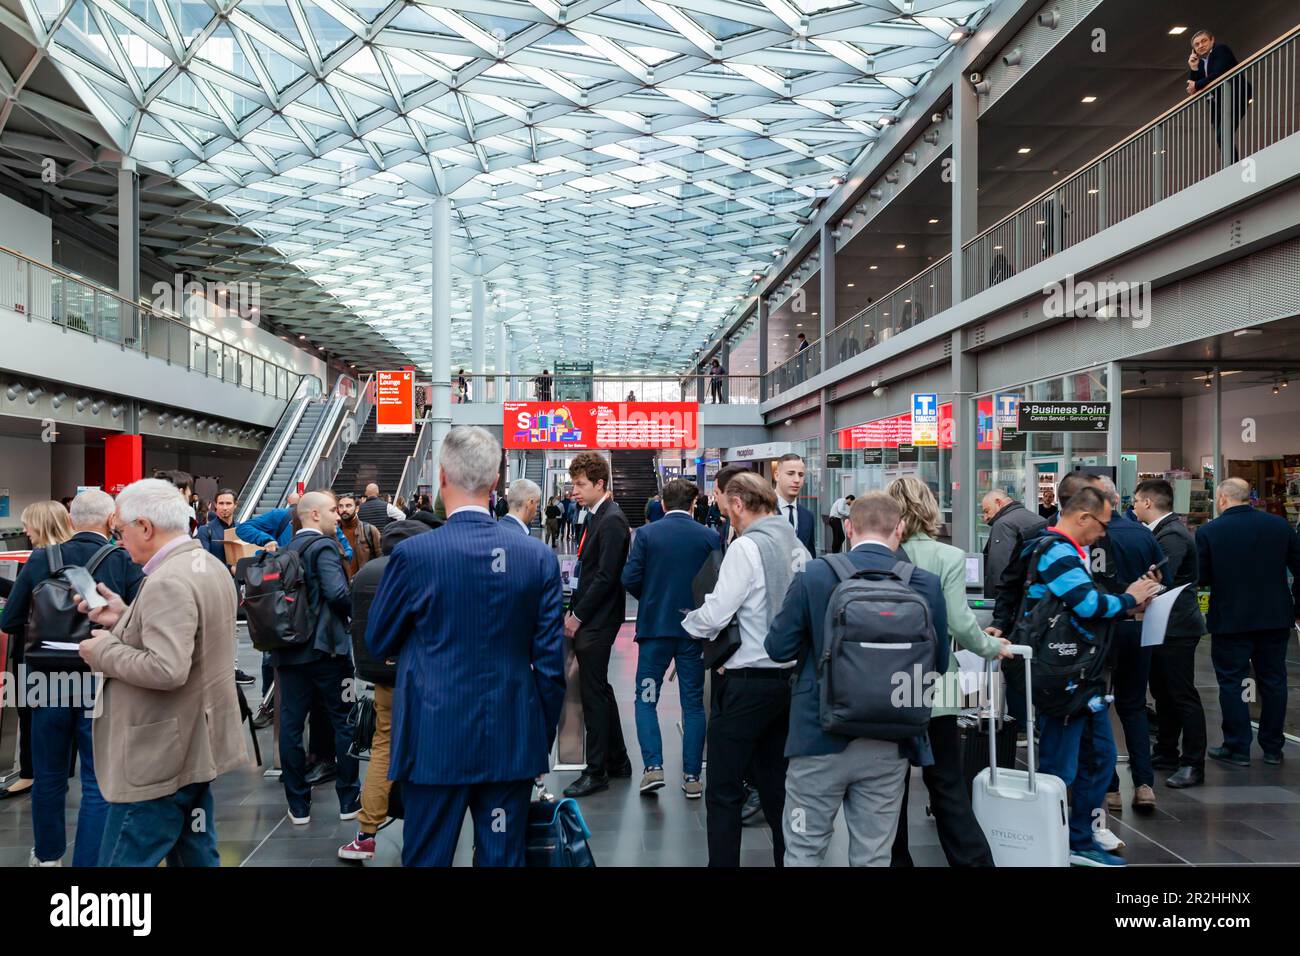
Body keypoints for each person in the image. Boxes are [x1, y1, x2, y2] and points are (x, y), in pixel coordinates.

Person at [366, 427, 565, 866]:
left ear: (441, 477)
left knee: (428, 855)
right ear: (496, 482)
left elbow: (378, 638)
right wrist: (538, 737)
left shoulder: (414, 557)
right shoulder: (537, 558)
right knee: (501, 856)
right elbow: (551, 667)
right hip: (510, 737)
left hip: (433, 737)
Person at [765, 491, 950, 866]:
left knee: (803, 850)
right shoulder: (925, 584)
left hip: (818, 737)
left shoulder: (816, 574)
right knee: (874, 856)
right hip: (891, 741)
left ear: (848, 528)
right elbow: (939, 664)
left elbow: (778, 648)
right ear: (900, 529)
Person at [75, 478, 248, 866]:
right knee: (196, 853)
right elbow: (190, 638)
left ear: (146, 527)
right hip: (195, 744)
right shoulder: (206, 564)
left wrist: (104, 650)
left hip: (158, 756)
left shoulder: (167, 580)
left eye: (122, 531)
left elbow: (167, 668)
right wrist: (124, 617)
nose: (120, 541)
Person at [1022, 487, 1161, 867]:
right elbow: (1087, 604)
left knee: (1099, 757)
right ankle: (1056, 840)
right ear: (1083, 517)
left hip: (1081, 675)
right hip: (1063, 676)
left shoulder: (1070, 551)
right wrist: (1130, 599)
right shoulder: (1056, 551)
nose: (1104, 533)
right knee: (1062, 765)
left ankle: (1078, 839)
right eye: (1102, 524)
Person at [887, 478, 1011, 867]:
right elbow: (959, 624)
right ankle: (972, 862)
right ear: (929, 508)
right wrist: (994, 647)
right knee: (947, 783)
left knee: (890, 790)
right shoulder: (949, 556)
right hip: (935, 683)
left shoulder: (880, 554)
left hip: (886, 682)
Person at [15, 491, 144, 866]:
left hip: (45, 682)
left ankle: (47, 855)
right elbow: (136, 623)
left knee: (49, 774)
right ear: (111, 521)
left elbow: (10, 621)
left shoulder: (41, 558)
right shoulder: (121, 560)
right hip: (100, 679)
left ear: (71, 521)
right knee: (96, 780)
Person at [682, 472, 798, 866]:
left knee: (724, 788)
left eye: (725, 508)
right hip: (789, 681)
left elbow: (716, 613)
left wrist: (687, 622)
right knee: (777, 786)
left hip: (747, 682)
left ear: (737, 504)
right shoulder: (796, 545)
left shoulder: (746, 548)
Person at [338, 519, 431, 861]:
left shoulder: (366, 573)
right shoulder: (420, 572)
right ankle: (424, 825)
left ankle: (366, 834)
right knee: (429, 747)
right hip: (422, 676)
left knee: (383, 747)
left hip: (381, 676)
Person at [622, 479, 719, 798]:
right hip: (693, 632)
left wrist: (650, 597)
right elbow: (716, 582)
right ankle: (692, 775)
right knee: (692, 704)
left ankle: (653, 768)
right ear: (694, 504)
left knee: (646, 698)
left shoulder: (647, 534)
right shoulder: (708, 536)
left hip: (654, 631)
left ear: (662, 504)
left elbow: (630, 578)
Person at [1196, 477, 1300, 767]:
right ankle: (1272, 747)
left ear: (1222, 499)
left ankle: (1238, 745)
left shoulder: (1210, 531)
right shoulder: (1279, 526)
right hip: (1275, 617)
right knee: (1274, 681)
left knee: (1231, 681)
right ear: (1249, 497)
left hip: (1231, 618)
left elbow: (1201, 577)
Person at [273, 491, 361, 825]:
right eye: (331, 511)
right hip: (328, 651)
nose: (338, 517)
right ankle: (348, 799)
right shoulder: (324, 547)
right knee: (344, 719)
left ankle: (298, 805)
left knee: (292, 727)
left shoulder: (285, 550)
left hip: (289, 652)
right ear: (312, 515)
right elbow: (337, 593)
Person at [562, 453, 633, 797]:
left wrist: (577, 616)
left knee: (593, 694)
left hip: (598, 621)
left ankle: (596, 771)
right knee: (600, 691)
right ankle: (617, 761)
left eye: (580, 484)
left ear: (600, 484)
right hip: (596, 617)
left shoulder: (611, 520)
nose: (574, 490)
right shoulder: (597, 516)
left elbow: (606, 577)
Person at [1091, 477, 1163, 817]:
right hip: (1137, 629)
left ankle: (1110, 787)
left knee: (1098, 705)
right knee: (1133, 706)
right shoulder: (1143, 534)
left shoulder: (1091, 536)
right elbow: (1161, 581)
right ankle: (1144, 784)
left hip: (1099, 628)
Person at [1132, 479, 1207, 789]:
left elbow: (1161, 578)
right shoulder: (1164, 532)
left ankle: (1193, 762)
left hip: (1176, 626)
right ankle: (1166, 751)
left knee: (1181, 693)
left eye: (1136, 501)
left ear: (1148, 503)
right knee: (1163, 692)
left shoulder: (1172, 534)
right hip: (1163, 624)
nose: (1133, 506)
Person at [0, 501, 75, 803]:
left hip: (34, 653)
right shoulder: (80, 554)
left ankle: (31, 775)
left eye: (29, 525)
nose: (26, 531)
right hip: (74, 652)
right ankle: (59, 771)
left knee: (31, 716)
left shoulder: (39, 559)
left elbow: (13, 616)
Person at [1187, 30, 1249, 162]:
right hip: (1217, 104)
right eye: (1197, 45)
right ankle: (1231, 164)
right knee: (1221, 137)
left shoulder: (1220, 50)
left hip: (1234, 96)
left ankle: (1232, 166)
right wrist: (1194, 68)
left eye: (1204, 41)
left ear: (1212, 40)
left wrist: (1197, 85)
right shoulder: (1202, 62)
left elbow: (1219, 73)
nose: (1200, 46)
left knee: (1223, 135)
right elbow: (1193, 88)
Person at [980, 489, 1047, 604]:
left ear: (998, 502)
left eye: (987, 511)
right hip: (1037, 592)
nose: (985, 518)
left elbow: (1000, 569)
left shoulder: (1003, 524)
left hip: (1014, 600)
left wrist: (1000, 606)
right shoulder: (1037, 519)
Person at [773, 453, 815, 555]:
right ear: (777, 476)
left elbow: (810, 555)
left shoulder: (807, 516)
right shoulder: (761, 510)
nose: (797, 480)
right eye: (790, 473)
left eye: (801, 475)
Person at [336, 493, 381, 577]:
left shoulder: (369, 530)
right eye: (341, 506)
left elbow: (380, 558)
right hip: (342, 583)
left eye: (348, 506)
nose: (344, 509)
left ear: (357, 509)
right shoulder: (334, 532)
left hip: (363, 582)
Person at [195, 488, 238, 564]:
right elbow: (203, 562)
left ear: (235, 505)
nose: (225, 508)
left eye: (228, 503)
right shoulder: (205, 530)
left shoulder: (241, 529)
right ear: (215, 505)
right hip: (216, 575)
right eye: (221, 503)